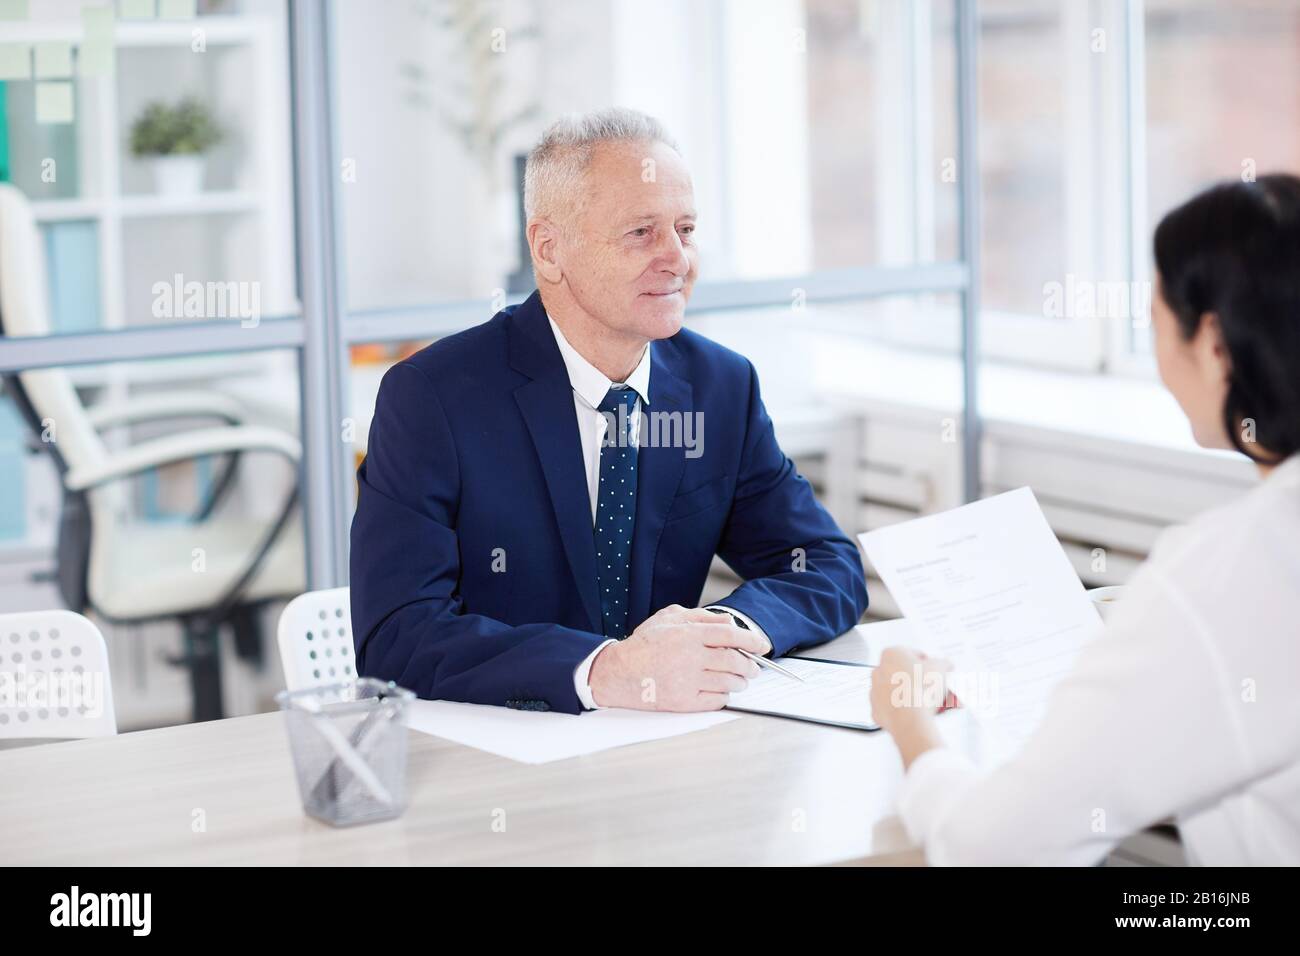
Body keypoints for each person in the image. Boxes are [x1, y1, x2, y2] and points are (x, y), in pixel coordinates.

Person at [350, 108, 868, 714]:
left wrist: (729, 631)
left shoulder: (721, 386)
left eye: (686, 229)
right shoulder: (432, 397)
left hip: (666, 744)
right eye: (641, 233)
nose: (677, 258)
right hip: (504, 750)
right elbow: (397, 635)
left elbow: (827, 565)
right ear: (549, 250)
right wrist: (602, 671)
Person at [870, 173, 1300, 865]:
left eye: (1154, 322)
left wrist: (909, 720)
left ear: (1214, 347)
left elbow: (994, 848)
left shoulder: (1229, 568)